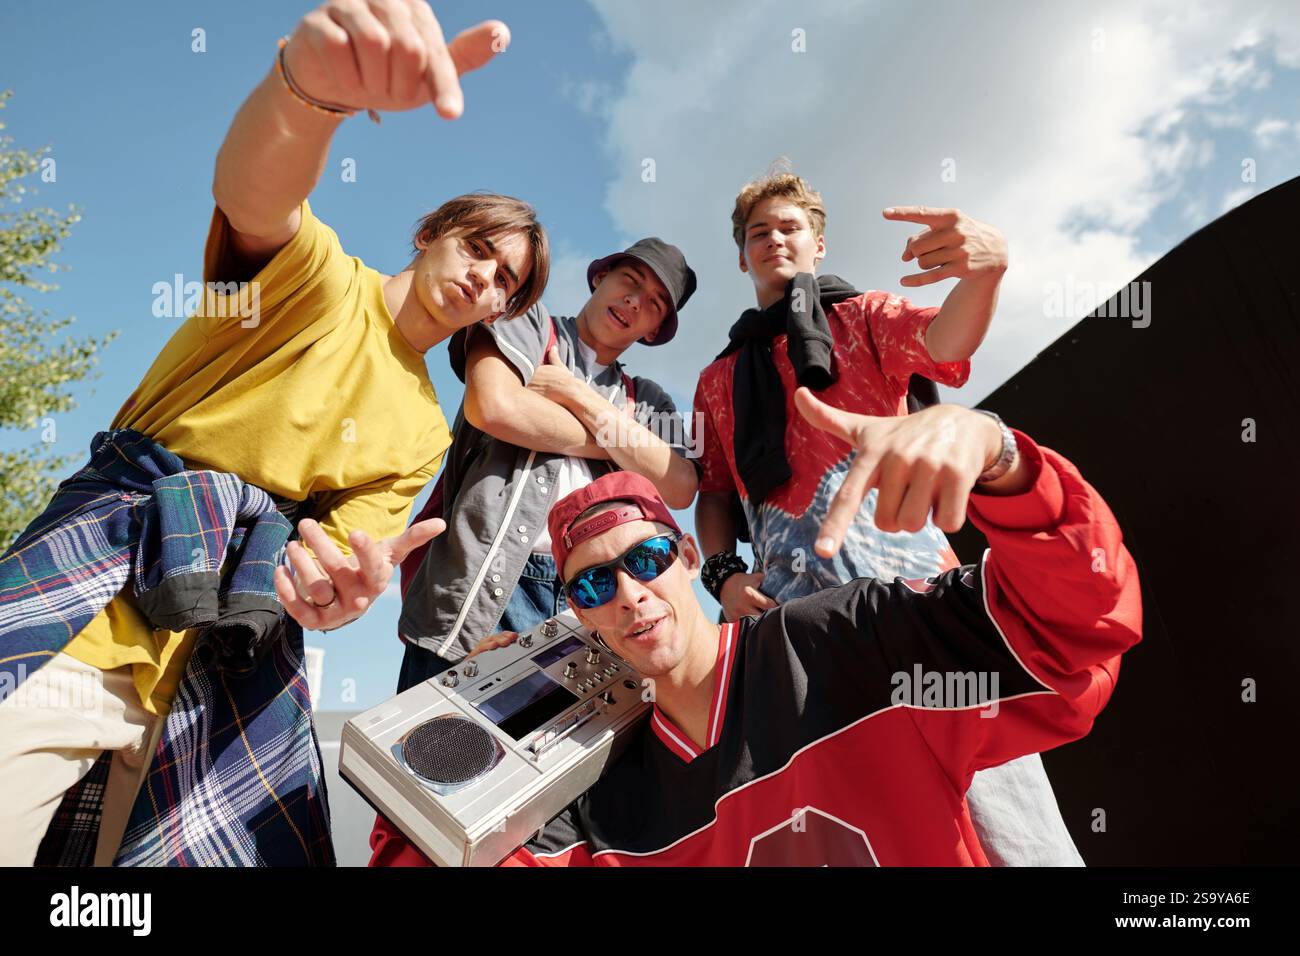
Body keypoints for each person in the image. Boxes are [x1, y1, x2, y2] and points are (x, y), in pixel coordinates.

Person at [0, 0, 547, 867]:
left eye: (507, 284)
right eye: (478, 248)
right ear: (430, 233)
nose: (484, 280)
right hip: (91, 608)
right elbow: (257, 191)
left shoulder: (420, 433)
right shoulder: (320, 282)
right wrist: (308, 94)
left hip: (219, 673)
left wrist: (335, 593)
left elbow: (324, 565)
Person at [369, 391, 1141, 866]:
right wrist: (473, 733)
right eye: (595, 583)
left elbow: (1069, 631)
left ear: (685, 557)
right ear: (576, 614)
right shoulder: (600, 799)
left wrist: (1004, 461)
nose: (629, 593)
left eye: (646, 557)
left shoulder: (844, 643)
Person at [691, 168, 1085, 865]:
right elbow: (715, 492)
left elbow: (947, 342)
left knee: (998, 789)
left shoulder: (863, 315)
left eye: (789, 227)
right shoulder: (717, 377)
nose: (774, 240)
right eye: (758, 233)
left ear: (816, 242)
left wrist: (986, 276)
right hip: (799, 624)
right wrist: (722, 576)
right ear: (741, 254)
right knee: (866, 814)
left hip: (917, 594)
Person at [366, 239, 700, 863]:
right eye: (629, 280)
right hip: (487, 582)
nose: (635, 302)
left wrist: (576, 394)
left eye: (655, 303)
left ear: (657, 329)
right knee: (431, 797)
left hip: (592, 600)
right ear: (600, 275)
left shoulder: (649, 397)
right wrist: (621, 442)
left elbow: (679, 483)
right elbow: (493, 406)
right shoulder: (527, 320)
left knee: (540, 809)